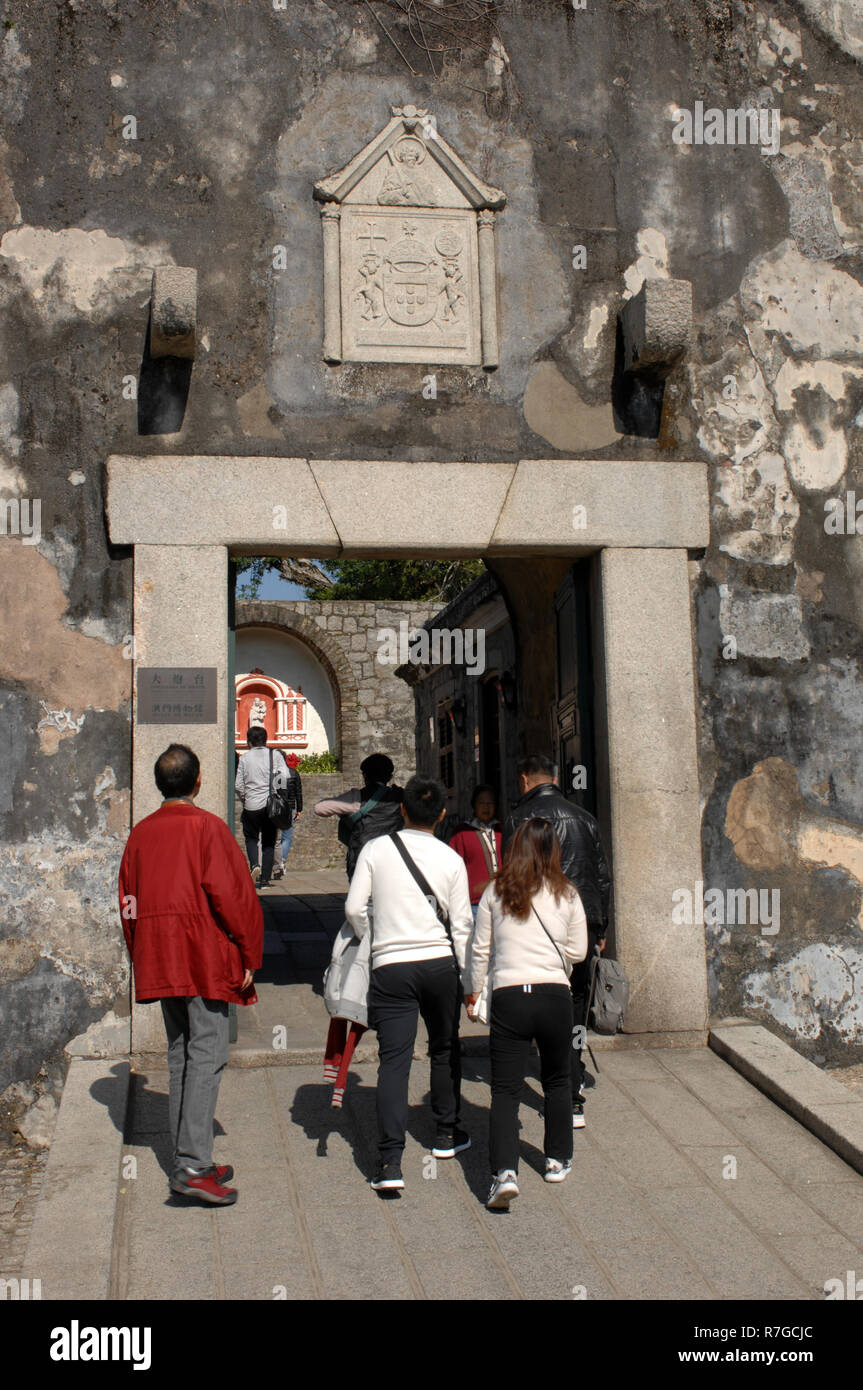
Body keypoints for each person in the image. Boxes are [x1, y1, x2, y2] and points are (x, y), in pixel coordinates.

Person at [119, 744, 263, 1206]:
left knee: (182, 1054)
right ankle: (193, 1166)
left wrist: (141, 950)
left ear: (160, 784)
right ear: (198, 781)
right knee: (206, 1054)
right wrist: (248, 952)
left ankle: (188, 1157)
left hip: (162, 954)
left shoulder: (140, 835)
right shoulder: (208, 828)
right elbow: (233, 896)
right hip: (203, 956)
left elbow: (128, 902)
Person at [344, 775, 473, 1194]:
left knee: (394, 1060)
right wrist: (470, 979)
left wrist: (374, 938)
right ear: (441, 814)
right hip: (438, 964)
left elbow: (354, 908)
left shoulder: (375, 849)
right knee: (444, 1048)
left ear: (402, 809)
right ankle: (446, 1134)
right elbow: (463, 926)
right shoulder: (451, 858)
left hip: (392, 967)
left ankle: (389, 1162)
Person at [466, 817, 587, 1210]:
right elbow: (579, 951)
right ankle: (557, 1159)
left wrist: (474, 991)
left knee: (505, 1089)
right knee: (557, 1080)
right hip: (554, 995)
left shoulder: (495, 890)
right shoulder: (567, 892)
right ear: (553, 850)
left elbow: (480, 949)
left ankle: (504, 1172)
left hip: (509, 995)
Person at [502, 754, 611, 1130]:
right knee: (576, 1006)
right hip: (584, 922)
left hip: (536, 926)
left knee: (543, 1005)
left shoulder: (519, 819)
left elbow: (510, 877)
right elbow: (601, 875)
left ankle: (555, 1087)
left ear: (524, 780)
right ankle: (572, 1087)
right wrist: (600, 926)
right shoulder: (585, 818)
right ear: (555, 778)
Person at [314, 752, 405, 880]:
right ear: (390, 777)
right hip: (393, 857)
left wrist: (348, 810)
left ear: (365, 776)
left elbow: (319, 808)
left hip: (362, 856)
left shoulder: (356, 797)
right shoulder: (401, 796)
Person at [235, 725, 286, 889]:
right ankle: (264, 880)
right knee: (269, 842)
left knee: (251, 838)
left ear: (249, 742)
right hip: (270, 805)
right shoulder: (275, 755)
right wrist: (276, 791)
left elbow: (238, 785)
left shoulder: (244, 758)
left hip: (251, 805)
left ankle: (254, 865)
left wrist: (245, 798)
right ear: (266, 740)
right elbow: (284, 777)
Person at [448, 784, 503, 921]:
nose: (486, 807)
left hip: (503, 901)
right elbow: (452, 868)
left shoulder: (502, 830)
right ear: (474, 805)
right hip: (475, 904)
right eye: (482, 803)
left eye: (490, 803)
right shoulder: (461, 833)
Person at [272, 752, 303, 880]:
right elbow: (298, 792)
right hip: (289, 808)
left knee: (275, 838)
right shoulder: (294, 773)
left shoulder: (273, 774)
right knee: (287, 837)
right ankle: (282, 861)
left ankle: (277, 863)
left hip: (275, 807)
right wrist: (299, 809)